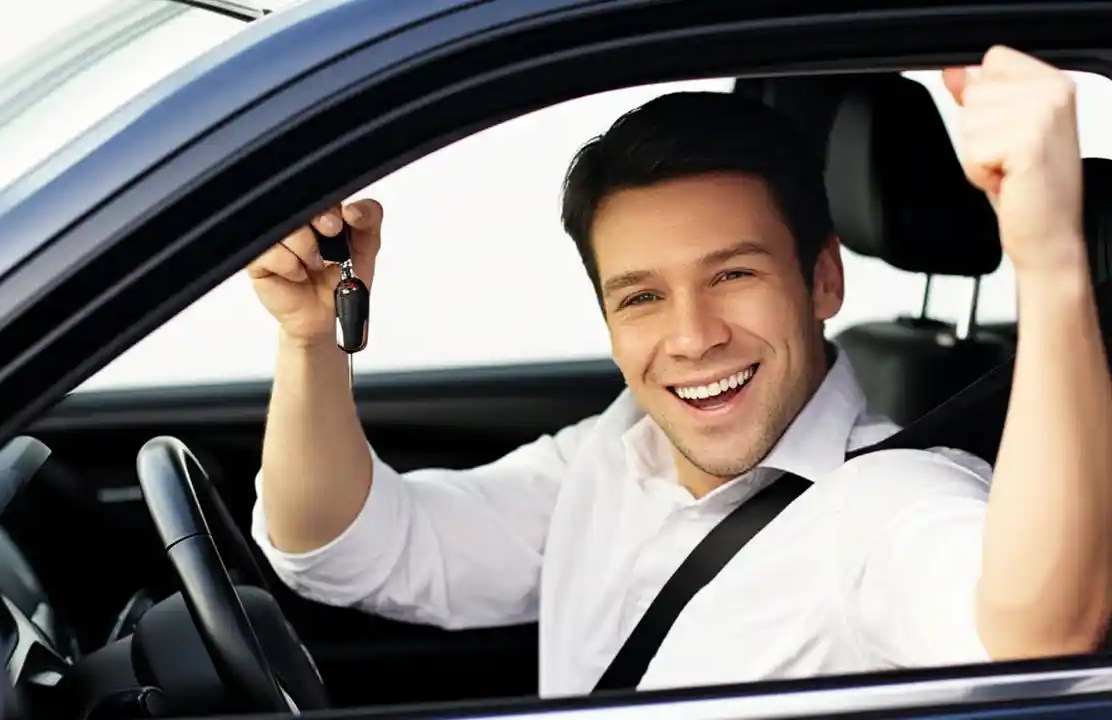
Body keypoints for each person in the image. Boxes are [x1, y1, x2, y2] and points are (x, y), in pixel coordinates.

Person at [246, 46, 1112, 696]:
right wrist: (310, 343)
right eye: (642, 298)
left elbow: (1037, 637)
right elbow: (346, 549)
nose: (693, 338)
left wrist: (1048, 260)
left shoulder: (885, 507)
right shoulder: (613, 454)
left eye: (733, 275)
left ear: (823, 278)